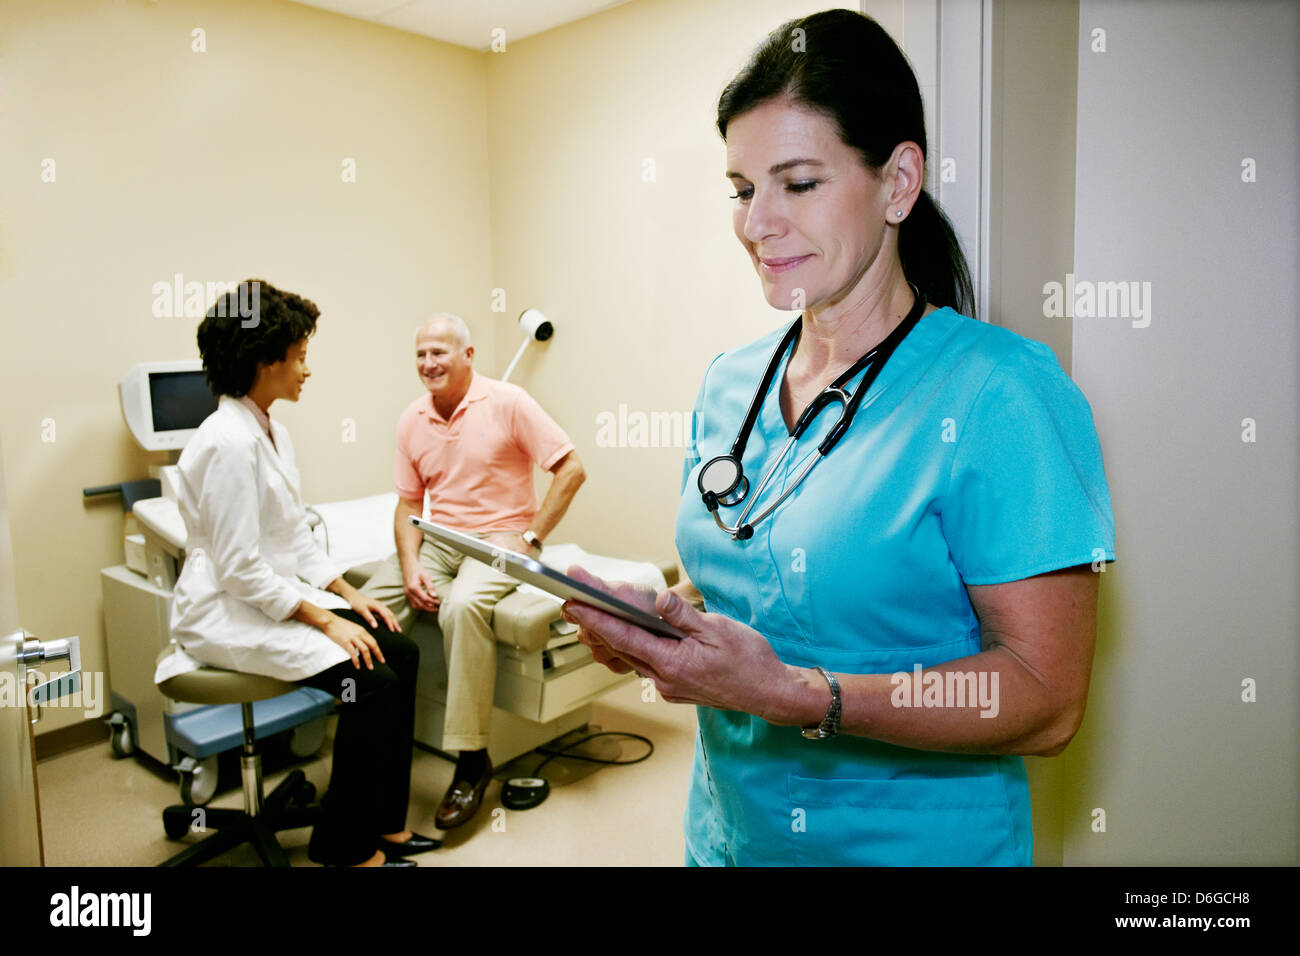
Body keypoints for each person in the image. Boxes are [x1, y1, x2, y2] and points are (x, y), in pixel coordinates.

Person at [562, 9, 1116, 866]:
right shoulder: (729, 383)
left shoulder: (999, 394)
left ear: (899, 182)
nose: (756, 224)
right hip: (729, 840)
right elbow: (747, 585)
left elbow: (1047, 699)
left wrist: (796, 697)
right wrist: (664, 625)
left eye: (799, 183)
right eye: (743, 190)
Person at [153, 280, 436, 867]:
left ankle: (384, 822)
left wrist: (346, 594)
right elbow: (237, 567)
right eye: (300, 356)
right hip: (225, 609)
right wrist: (324, 623)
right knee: (374, 679)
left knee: (400, 653)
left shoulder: (270, 430)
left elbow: (295, 540)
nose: (307, 370)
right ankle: (341, 845)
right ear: (266, 361)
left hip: (268, 596)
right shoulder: (229, 443)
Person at [362, 313, 586, 830]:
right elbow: (407, 505)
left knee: (462, 607)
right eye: (420, 354)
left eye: (439, 352)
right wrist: (410, 561)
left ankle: (471, 759)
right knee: (370, 605)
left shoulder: (507, 402)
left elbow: (572, 468)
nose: (428, 363)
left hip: (501, 541)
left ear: (468, 356)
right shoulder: (412, 418)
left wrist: (530, 538)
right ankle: (366, 738)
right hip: (441, 539)